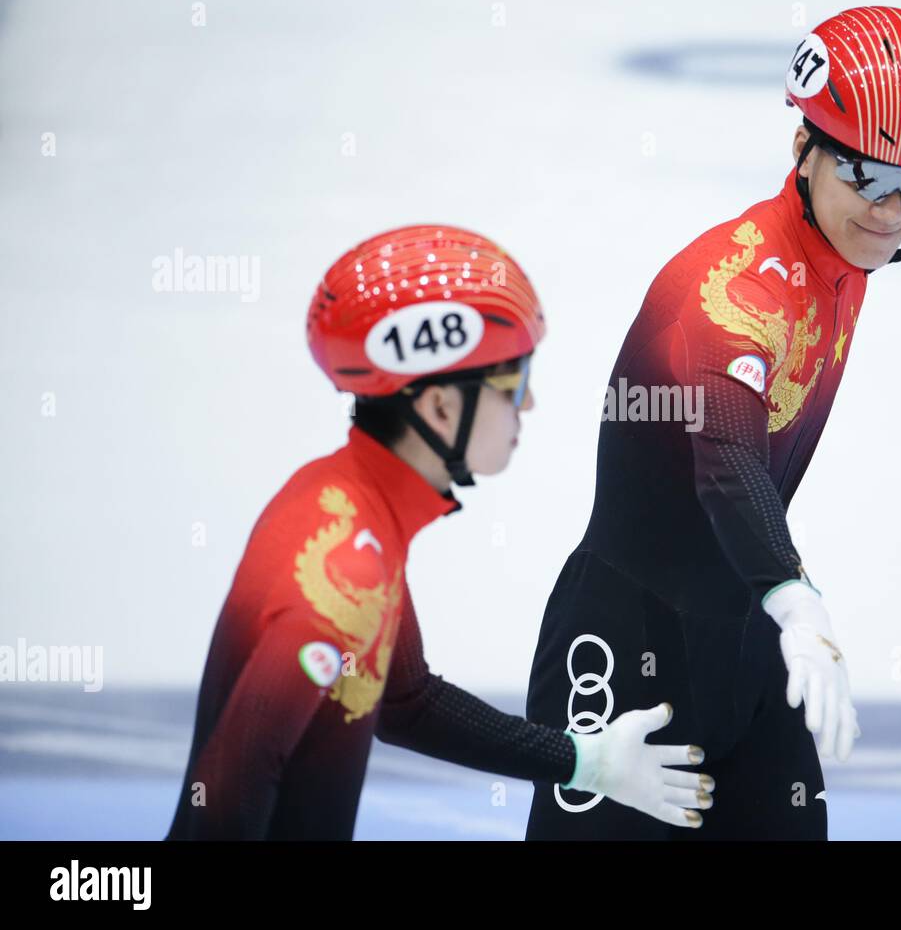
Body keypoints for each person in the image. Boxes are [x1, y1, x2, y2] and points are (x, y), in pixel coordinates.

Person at [524, 7, 901, 839]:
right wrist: (796, 599)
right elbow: (726, 461)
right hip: (628, 643)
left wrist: (776, 606)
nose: (889, 211)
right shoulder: (732, 293)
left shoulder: (843, 249)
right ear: (803, 150)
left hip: (744, 641)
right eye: (867, 177)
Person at [166, 225, 713, 839]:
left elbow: (404, 703)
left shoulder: (345, 505)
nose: (527, 407)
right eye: (515, 383)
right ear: (441, 409)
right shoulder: (346, 573)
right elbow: (224, 797)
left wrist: (585, 762)